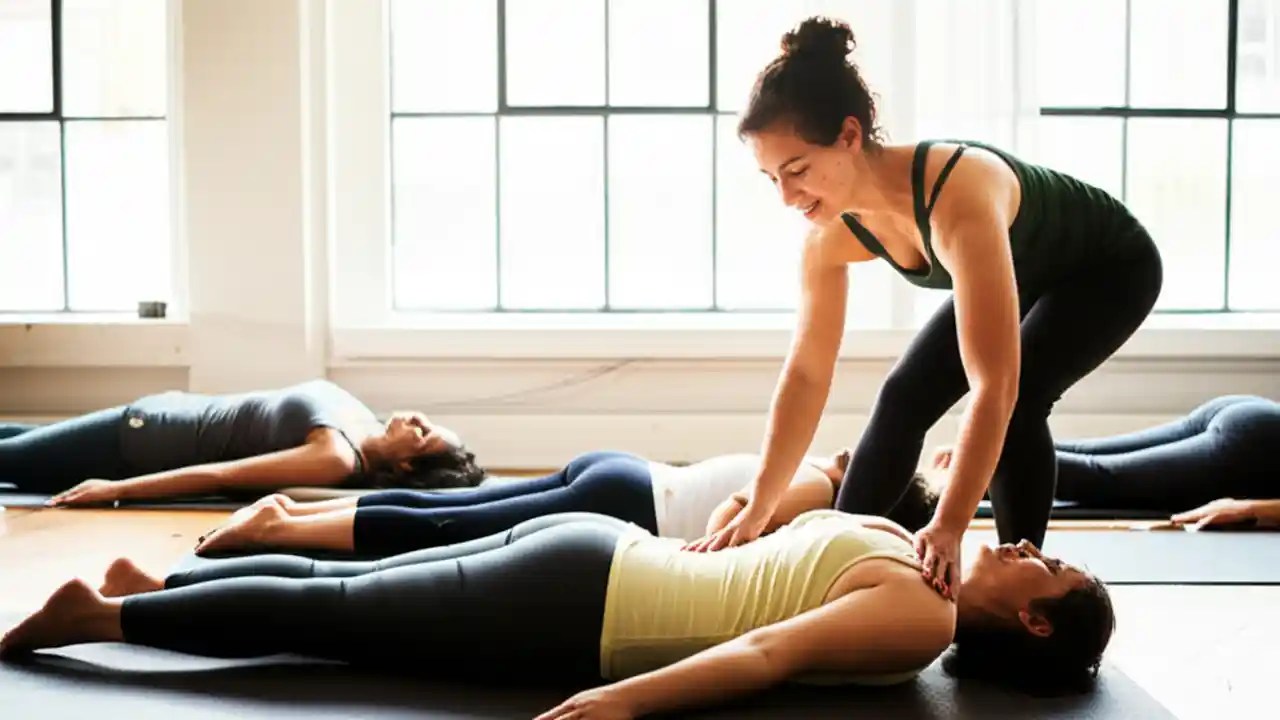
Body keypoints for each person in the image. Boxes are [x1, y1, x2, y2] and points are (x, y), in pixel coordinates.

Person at [686, 16, 1163, 602]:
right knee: (904, 396)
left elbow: (994, 387)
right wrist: (761, 503)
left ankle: (1022, 594)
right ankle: (828, 562)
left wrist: (950, 526)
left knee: (1022, 400)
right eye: (771, 179)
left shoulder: (959, 195)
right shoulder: (828, 237)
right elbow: (808, 373)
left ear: (849, 136)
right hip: (1024, 268)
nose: (786, 196)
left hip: (1109, 268)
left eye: (797, 170)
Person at [1, 510, 1115, 718]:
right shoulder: (920, 607)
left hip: (595, 556)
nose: (1022, 547)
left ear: (1029, 626)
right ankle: (95, 622)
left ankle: (156, 595)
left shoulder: (906, 569)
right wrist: (622, 703)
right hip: (582, 603)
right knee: (340, 616)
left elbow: (768, 612)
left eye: (1042, 566)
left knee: (348, 603)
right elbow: (765, 648)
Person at [191, 449, 920, 556]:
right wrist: (716, 551)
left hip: (625, 474)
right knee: (447, 529)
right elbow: (738, 506)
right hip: (634, 505)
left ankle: (285, 520)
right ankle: (280, 531)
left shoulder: (818, 455)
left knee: (457, 515)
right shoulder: (823, 489)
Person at [0, 379, 484, 506]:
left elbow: (220, 476)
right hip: (153, 414)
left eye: (422, 436)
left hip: (136, 445)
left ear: (403, 468)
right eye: (428, 421)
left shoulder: (334, 458)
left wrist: (113, 489)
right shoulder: (363, 421)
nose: (418, 421)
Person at [930, 394, 1280, 527]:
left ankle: (979, 460)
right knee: (1100, 477)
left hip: (1250, 414)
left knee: (1091, 456)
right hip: (1255, 452)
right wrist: (1251, 507)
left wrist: (1249, 507)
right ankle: (980, 457)